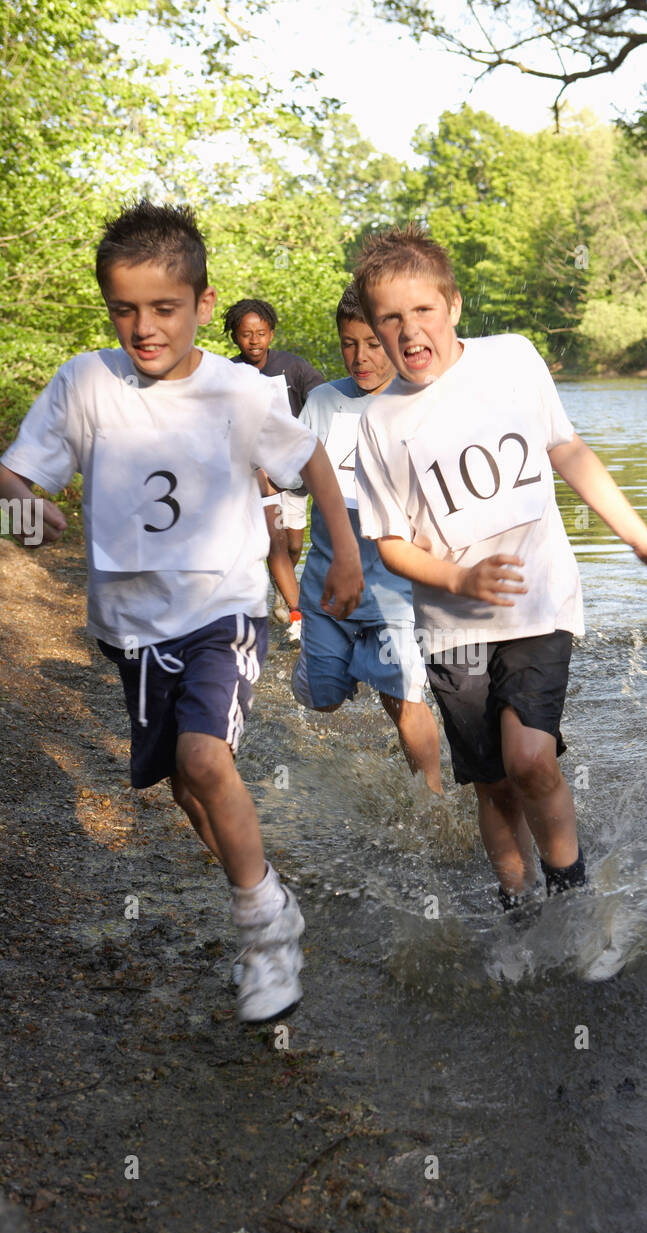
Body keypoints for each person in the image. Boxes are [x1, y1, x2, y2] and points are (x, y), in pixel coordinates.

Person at [0, 201, 364, 1021]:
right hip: (131, 628)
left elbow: (311, 460)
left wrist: (342, 553)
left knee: (205, 761)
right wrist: (23, 513)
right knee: (184, 785)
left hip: (223, 611)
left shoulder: (238, 389)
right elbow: (16, 475)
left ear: (203, 304)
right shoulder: (85, 382)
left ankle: (265, 933)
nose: (143, 327)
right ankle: (267, 890)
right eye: (124, 309)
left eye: (164, 308)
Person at [352, 224, 647, 911]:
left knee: (529, 759)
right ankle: (516, 900)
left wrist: (640, 539)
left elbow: (568, 449)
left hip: (539, 601)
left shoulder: (512, 359)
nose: (409, 330)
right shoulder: (380, 422)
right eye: (389, 319)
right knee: (493, 783)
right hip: (454, 626)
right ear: (373, 328)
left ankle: (571, 890)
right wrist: (456, 578)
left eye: (422, 310)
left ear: (453, 306)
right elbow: (392, 545)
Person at [292, 284, 442, 793]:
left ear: (392, 336)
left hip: (394, 586)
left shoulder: (420, 401)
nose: (360, 357)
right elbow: (288, 476)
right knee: (324, 699)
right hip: (327, 585)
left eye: (372, 344)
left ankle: (434, 799)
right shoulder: (323, 402)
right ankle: (351, 663)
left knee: (404, 698)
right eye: (348, 344)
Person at [224, 298, 324, 637]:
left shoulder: (293, 368)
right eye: (246, 334)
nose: (254, 341)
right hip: (255, 468)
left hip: (294, 467)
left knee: (295, 544)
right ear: (235, 337)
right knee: (276, 542)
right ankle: (298, 613)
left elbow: (322, 398)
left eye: (261, 333)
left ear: (271, 334)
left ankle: (282, 592)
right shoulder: (229, 373)